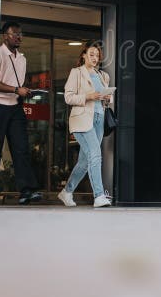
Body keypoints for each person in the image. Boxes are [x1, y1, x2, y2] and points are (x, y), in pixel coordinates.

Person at [58, 40, 115, 208]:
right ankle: (98, 196)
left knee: (84, 162)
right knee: (95, 154)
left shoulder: (103, 76)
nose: (95, 58)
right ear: (83, 55)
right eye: (91, 54)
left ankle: (67, 192)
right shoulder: (76, 73)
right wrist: (88, 96)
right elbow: (68, 97)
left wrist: (107, 97)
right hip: (82, 120)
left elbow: (105, 99)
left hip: (98, 119)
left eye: (97, 55)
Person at [0, 21, 42, 206]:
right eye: (15, 34)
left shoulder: (22, 58)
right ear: (5, 36)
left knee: (21, 149)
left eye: (21, 34)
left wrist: (22, 91)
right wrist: (16, 89)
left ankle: (27, 191)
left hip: (15, 107)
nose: (19, 37)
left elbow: (18, 85)